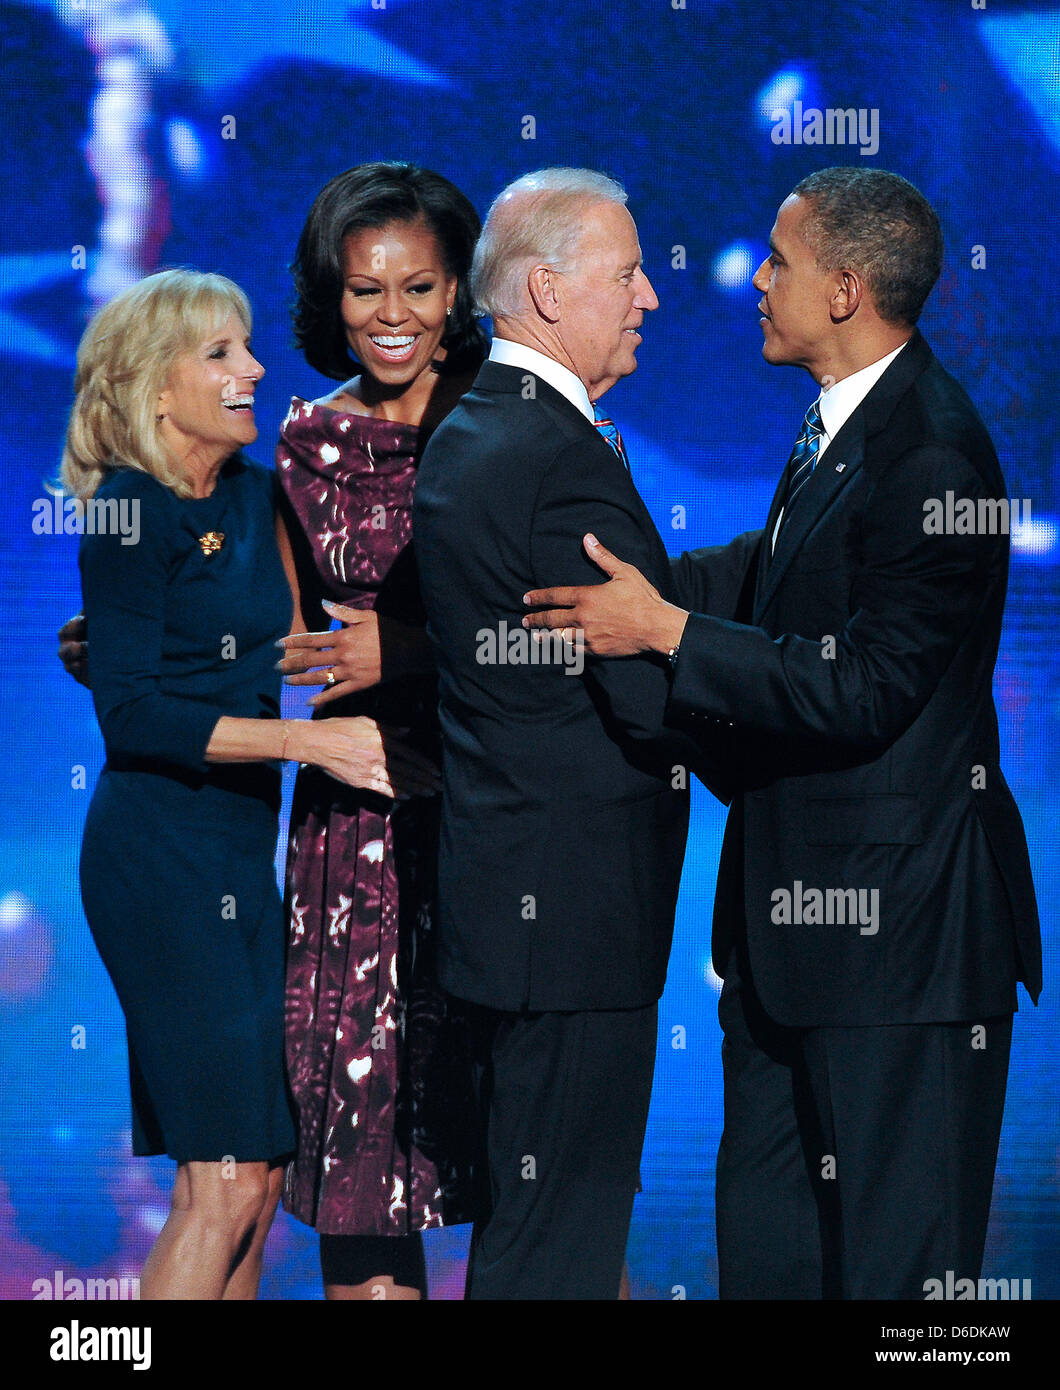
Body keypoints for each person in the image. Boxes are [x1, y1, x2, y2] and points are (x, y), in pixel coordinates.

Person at [522, 166, 1042, 1299]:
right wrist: (603, 559)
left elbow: (864, 684)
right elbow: (773, 576)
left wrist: (661, 629)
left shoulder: (931, 453)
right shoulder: (841, 429)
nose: (753, 281)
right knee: (770, 1262)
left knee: (900, 1289)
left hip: (902, 954)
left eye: (778, 262)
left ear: (846, 289)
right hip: (787, 950)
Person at [63, 268, 436, 1300]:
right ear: (152, 383)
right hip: (159, 861)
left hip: (233, 860)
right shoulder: (130, 509)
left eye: (248, 346)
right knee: (220, 1180)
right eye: (220, 353)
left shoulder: (250, 489)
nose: (254, 369)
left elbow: (268, 646)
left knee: (262, 1173)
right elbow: (134, 715)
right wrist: (306, 746)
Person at [412, 168, 714, 1300]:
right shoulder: (555, 457)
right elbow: (640, 685)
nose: (648, 297)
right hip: (575, 922)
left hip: (519, 913)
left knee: (544, 1235)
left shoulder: (476, 430)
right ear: (546, 288)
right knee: (556, 1253)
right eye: (626, 273)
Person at [270, 162, 486, 1299]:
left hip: (497, 821)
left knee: (519, 1158)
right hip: (354, 834)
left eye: (418, 286)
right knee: (359, 1169)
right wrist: (123, 626)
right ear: (331, 296)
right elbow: (279, 637)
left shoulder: (520, 420)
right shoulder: (306, 444)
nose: (391, 316)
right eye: (364, 291)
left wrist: (407, 651)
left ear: (459, 289)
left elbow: (586, 630)